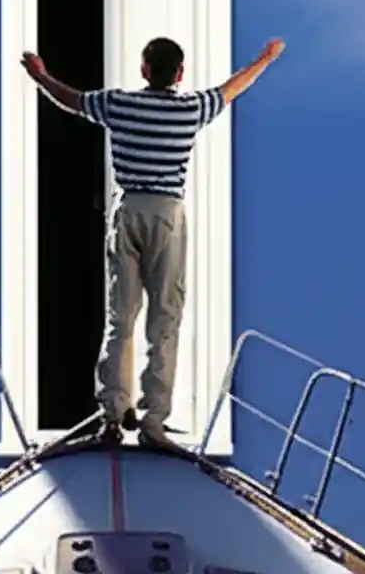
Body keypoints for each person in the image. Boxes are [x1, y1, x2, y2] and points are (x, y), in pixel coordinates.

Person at [20, 36, 285, 447]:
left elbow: (70, 100)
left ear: (144, 69)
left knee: (120, 318)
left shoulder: (119, 104)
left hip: (127, 212)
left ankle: (112, 414)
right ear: (179, 74)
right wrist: (264, 60)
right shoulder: (191, 109)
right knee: (165, 320)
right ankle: (153, 421)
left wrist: (41, 77)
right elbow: (232, 89)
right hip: (167, 214)